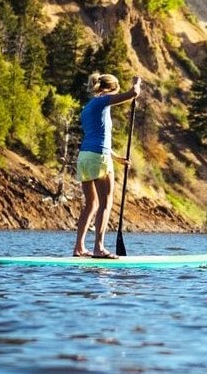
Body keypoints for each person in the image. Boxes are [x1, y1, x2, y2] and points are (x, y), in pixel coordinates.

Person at [73, 73, 142, 258]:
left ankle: (79, 247)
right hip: (98, 157)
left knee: (91, 204)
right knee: (106, 202)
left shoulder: (88, 107)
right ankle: (99, 248)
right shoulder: (103, 101)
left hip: (85, 157)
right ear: (111, 88)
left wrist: (117, 158)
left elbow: (97, 136)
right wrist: (136, 83)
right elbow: (133, 93)